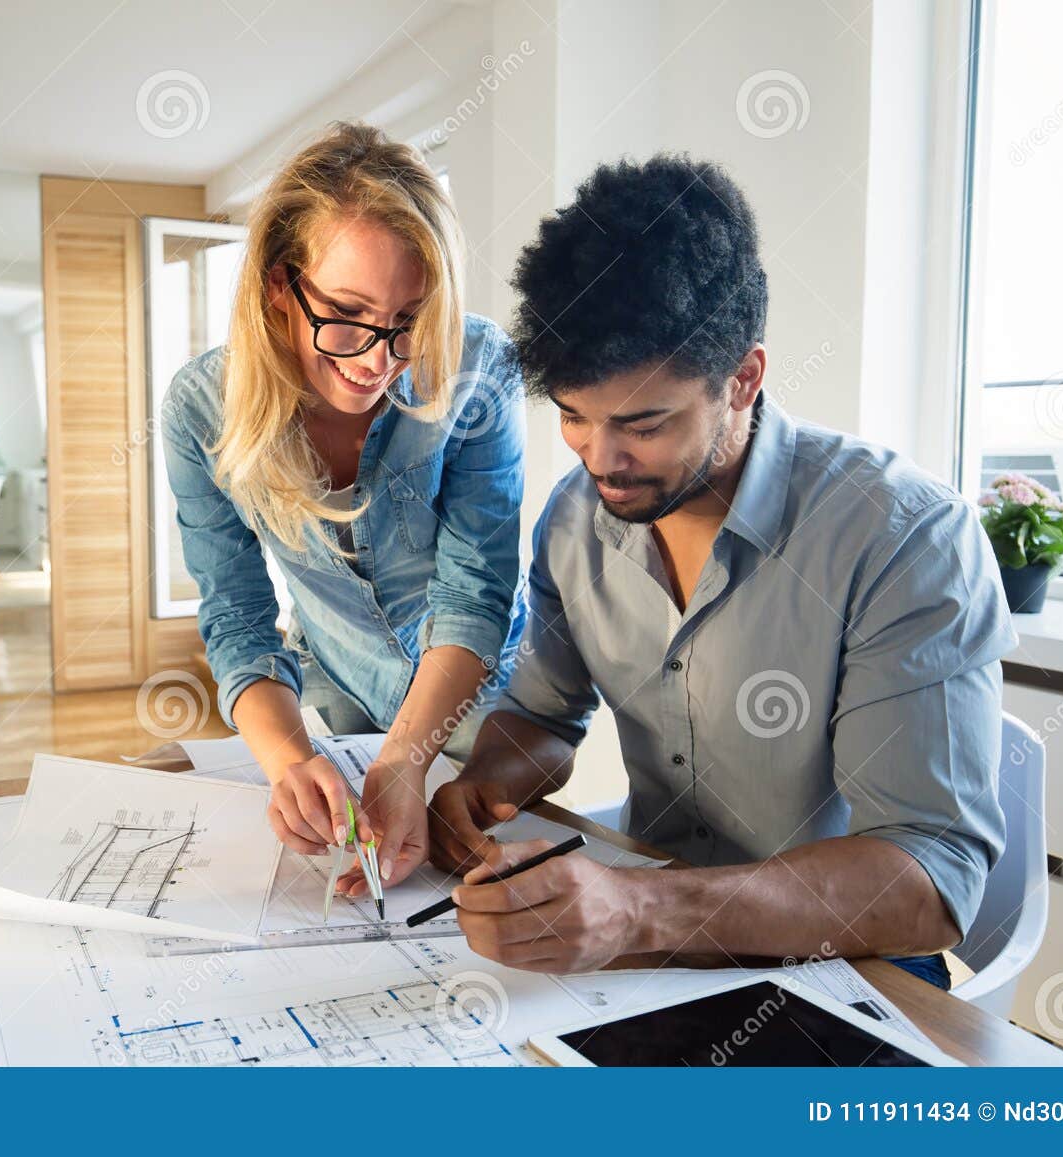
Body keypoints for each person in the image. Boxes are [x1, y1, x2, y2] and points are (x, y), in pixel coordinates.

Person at [429, 155, 1015, 989]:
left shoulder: (904, 537)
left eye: (644, 422)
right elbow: (543, 716)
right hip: (652, 942)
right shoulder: (574, 520)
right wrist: (482, 781)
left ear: (743, 380)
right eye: (572, 417)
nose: (602, 459)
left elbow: (928, 878)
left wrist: (638, 910)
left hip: (848, 966)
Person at [163, 121, 527, 898]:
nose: (377, 359)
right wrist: (291, 761)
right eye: (349, 314)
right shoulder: (200, 409)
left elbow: (475, 594)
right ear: (277, 286)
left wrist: (406, 762)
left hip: (488, 708)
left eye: (409, 322)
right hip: (339, 699)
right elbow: (237, 617)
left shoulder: (478, 365)